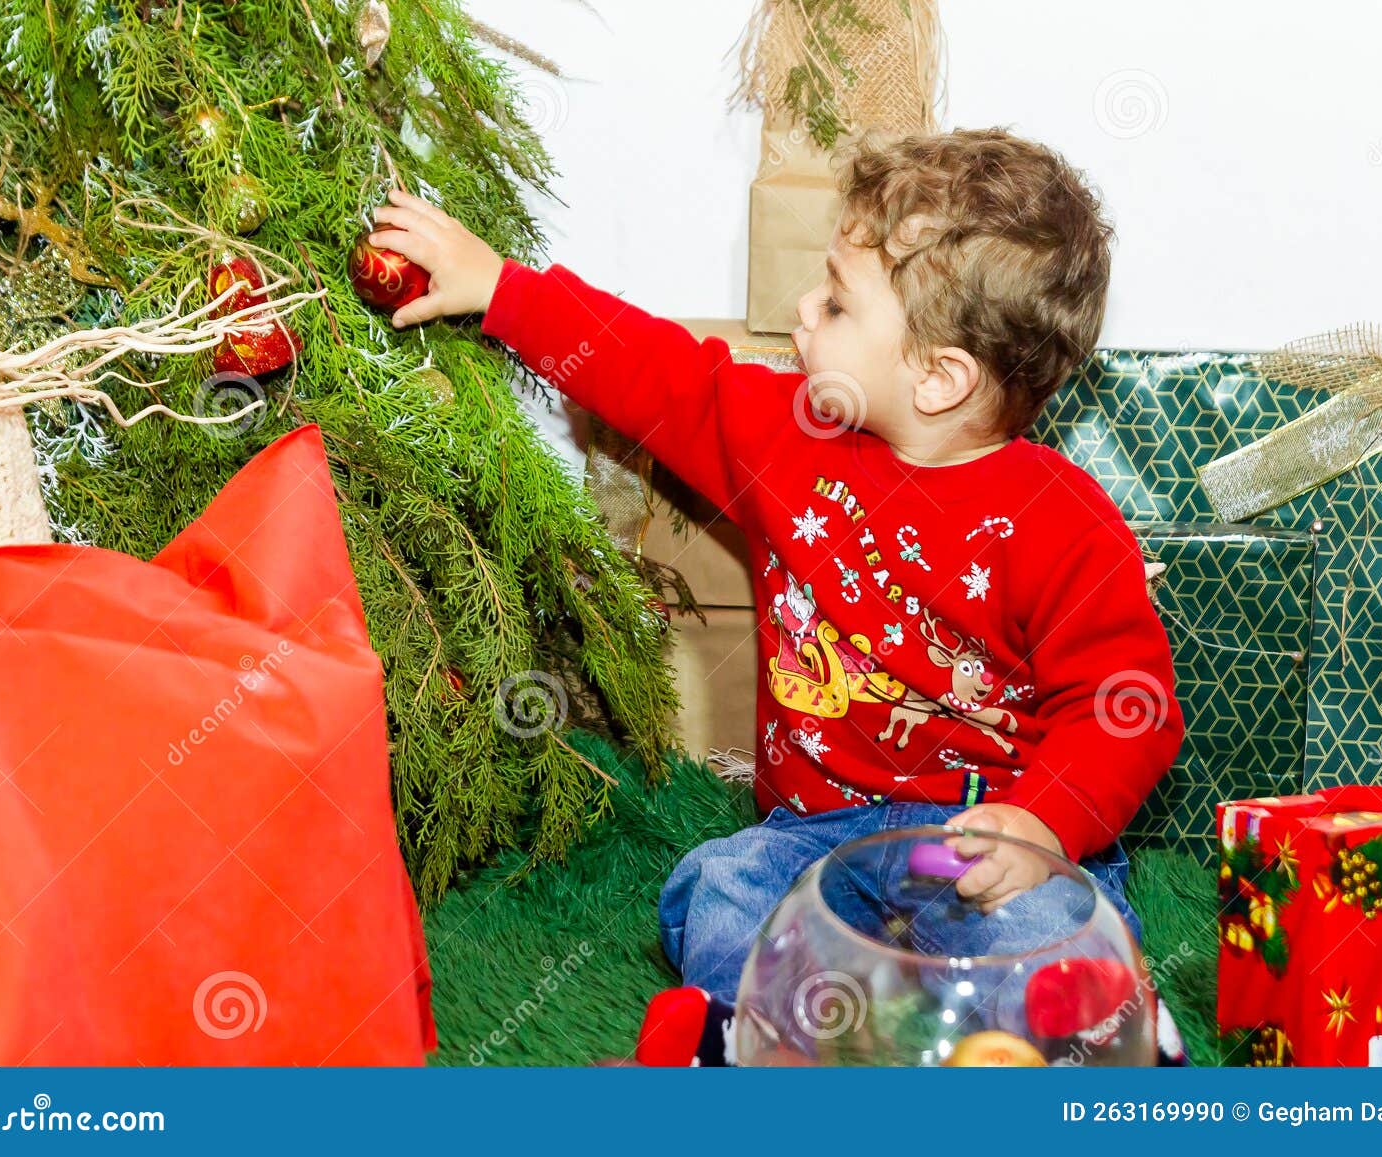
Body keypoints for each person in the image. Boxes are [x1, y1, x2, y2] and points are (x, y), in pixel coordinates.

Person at [368, 127, 1186, 1066]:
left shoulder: (1065, 522)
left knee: (1045, 925)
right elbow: (660, 377)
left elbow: (1129, 704)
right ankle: (757, 1048)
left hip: (978, 848)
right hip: (814, 841)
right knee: (716, 887)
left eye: (836, 303)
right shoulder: (790, 437)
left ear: (938, 376)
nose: (803, 311)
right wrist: (504, 289)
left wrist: (1039, 821)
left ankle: (1086, 1044)